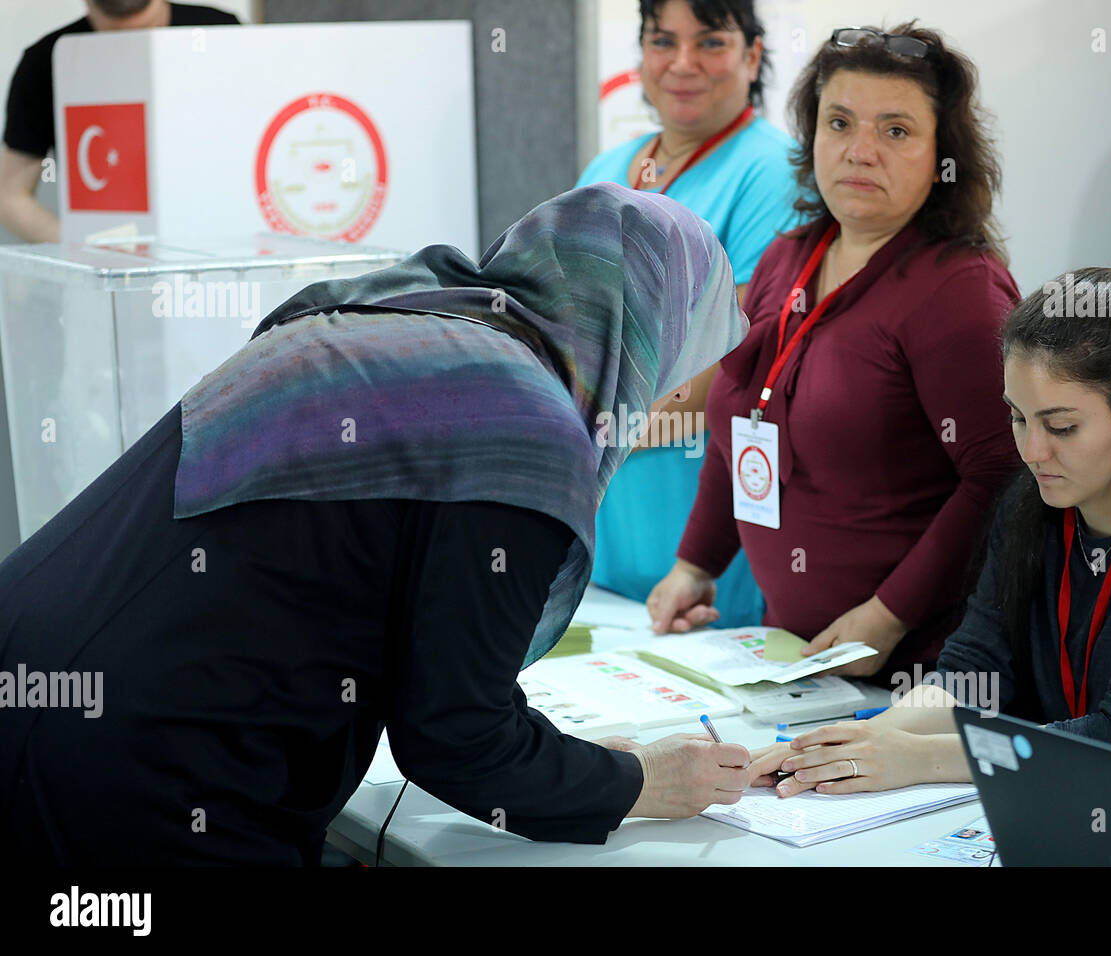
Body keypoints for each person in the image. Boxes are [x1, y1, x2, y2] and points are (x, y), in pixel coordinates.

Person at [0, 183, 752, 865]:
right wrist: (636, 781)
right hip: (147, 767)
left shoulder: (387, 315)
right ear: (646, 331)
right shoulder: (521, 427)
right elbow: (458, 737)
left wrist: (574, 764)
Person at [750, 267, 1111, 807]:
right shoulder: (1033, 503)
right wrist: (871, 739)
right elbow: (972, 673)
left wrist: (916, 757)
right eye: (1017, 418)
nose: (1032, 451)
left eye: (1061, 427)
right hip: (1093, 808)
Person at [648, 24, 1022, 682]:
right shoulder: (788, 256)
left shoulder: (958, 288)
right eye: (840, 122)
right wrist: (695, 564)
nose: (860, 152)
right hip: (795, 661)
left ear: (944, 155)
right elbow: (739, 426)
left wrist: (888, 615)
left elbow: (1001, 479)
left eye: (896, 130)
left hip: (919, 669)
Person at [575, 0, 802, 626]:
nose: (682, 64)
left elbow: (733, 364)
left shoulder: (773, 173)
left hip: (703, 515)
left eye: (709, 42)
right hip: (609, 517)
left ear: (752, 55)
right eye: (662, 41)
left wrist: (583, 435)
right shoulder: (607, 170)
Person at [0, 0, 239, 242]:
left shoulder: (224, 32)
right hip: (114, 270)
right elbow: (8, 195)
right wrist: (84, 253)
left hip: (223, 259)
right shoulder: (45, 60)